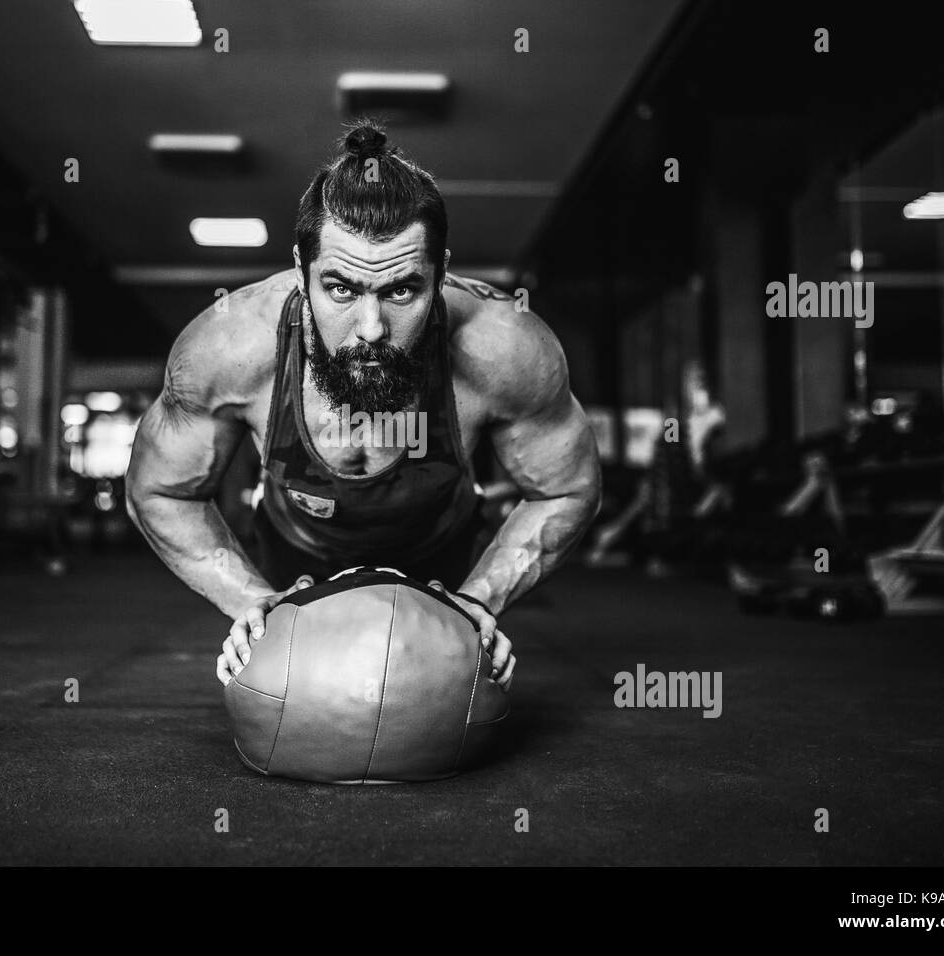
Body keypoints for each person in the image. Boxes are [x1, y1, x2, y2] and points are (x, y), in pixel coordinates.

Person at [126, 121, 601, 692]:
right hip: (294, 556)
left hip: (441, 556)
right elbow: (159, 489)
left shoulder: (506, 350)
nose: (371, 329)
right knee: (312, 705)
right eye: (342, 290)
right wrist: (253, 600)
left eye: (401, 290)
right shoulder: (229, 351)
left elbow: (566, 488)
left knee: (430, 707)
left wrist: (480, 598)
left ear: (440, 272)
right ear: (301, 274)